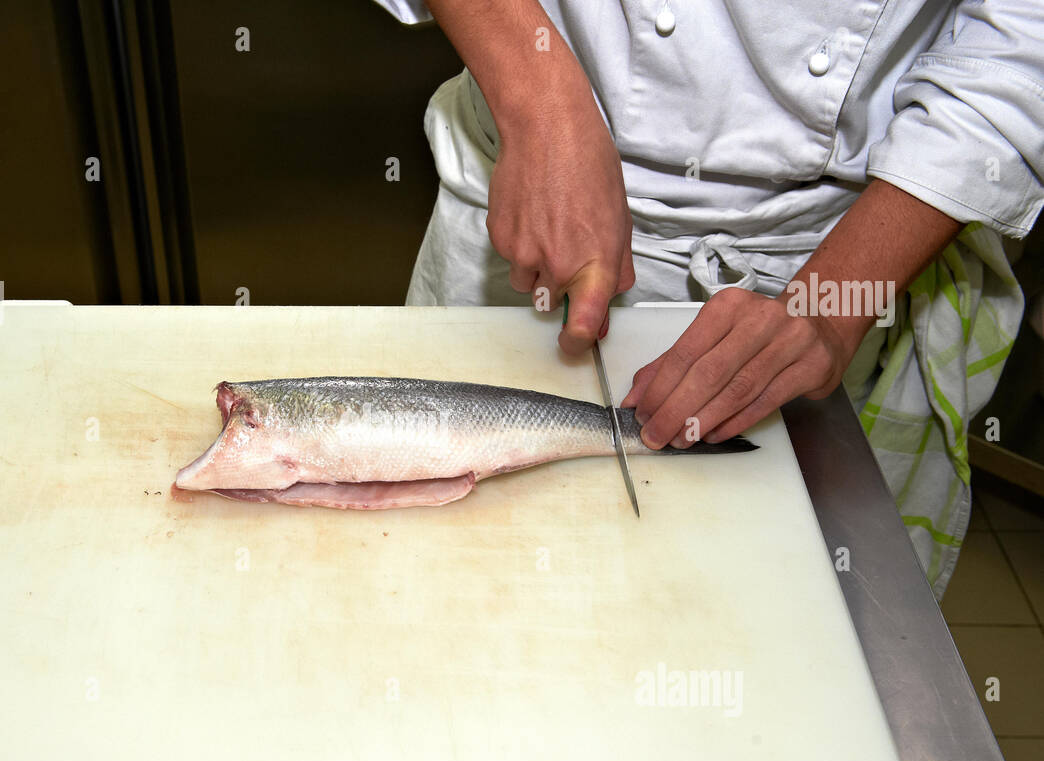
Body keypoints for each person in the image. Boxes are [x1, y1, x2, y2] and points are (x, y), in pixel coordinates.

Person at [373, 0, 1043, 598]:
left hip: (834, 242)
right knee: (461, 588)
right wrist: (540, 98)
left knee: (767, 620)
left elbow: (1022, 37)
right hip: (521, 196)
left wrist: (833, 302)